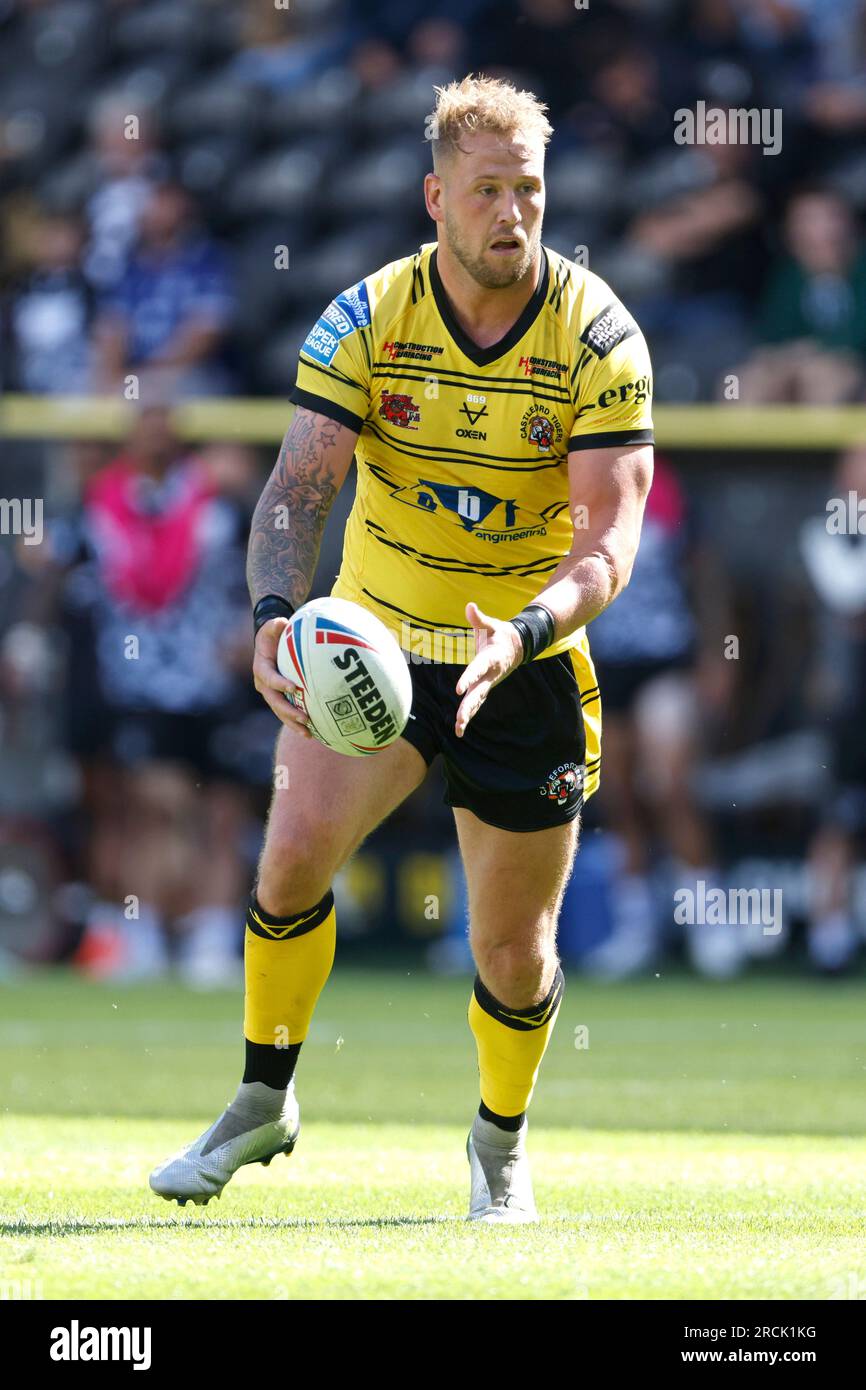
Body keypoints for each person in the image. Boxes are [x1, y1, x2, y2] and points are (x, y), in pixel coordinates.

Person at [150, 74, 654, 1222]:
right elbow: (296, 490)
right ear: (435, 198)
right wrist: (272, 613)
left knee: (513, 950)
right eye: (486, 191)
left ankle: (497, 1144)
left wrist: (524, 631)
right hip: (373, 638)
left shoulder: (596, 335)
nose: (511, 213)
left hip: (520, 658)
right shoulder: (367, 316)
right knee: (288, 862)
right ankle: (261, 1097)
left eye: (528, 190)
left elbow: (608, 542)